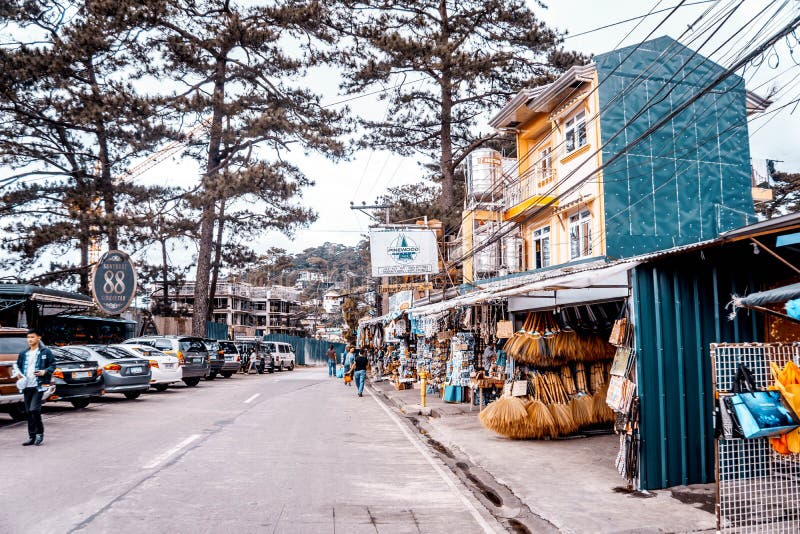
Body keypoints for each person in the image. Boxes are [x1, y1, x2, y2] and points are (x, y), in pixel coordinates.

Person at [10, 329, 56, 446]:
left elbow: (53, 365)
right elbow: (17, 368)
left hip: (39, 386)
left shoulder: (45, 352)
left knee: (34, 410)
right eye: (28, 337)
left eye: (32, 337)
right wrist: (19, 376)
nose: (30, 339)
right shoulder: (23, 354)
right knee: (28, 412)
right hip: (27, 386)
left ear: (38, 338)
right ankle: (31, 436)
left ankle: (40, 433)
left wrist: (44, 371)